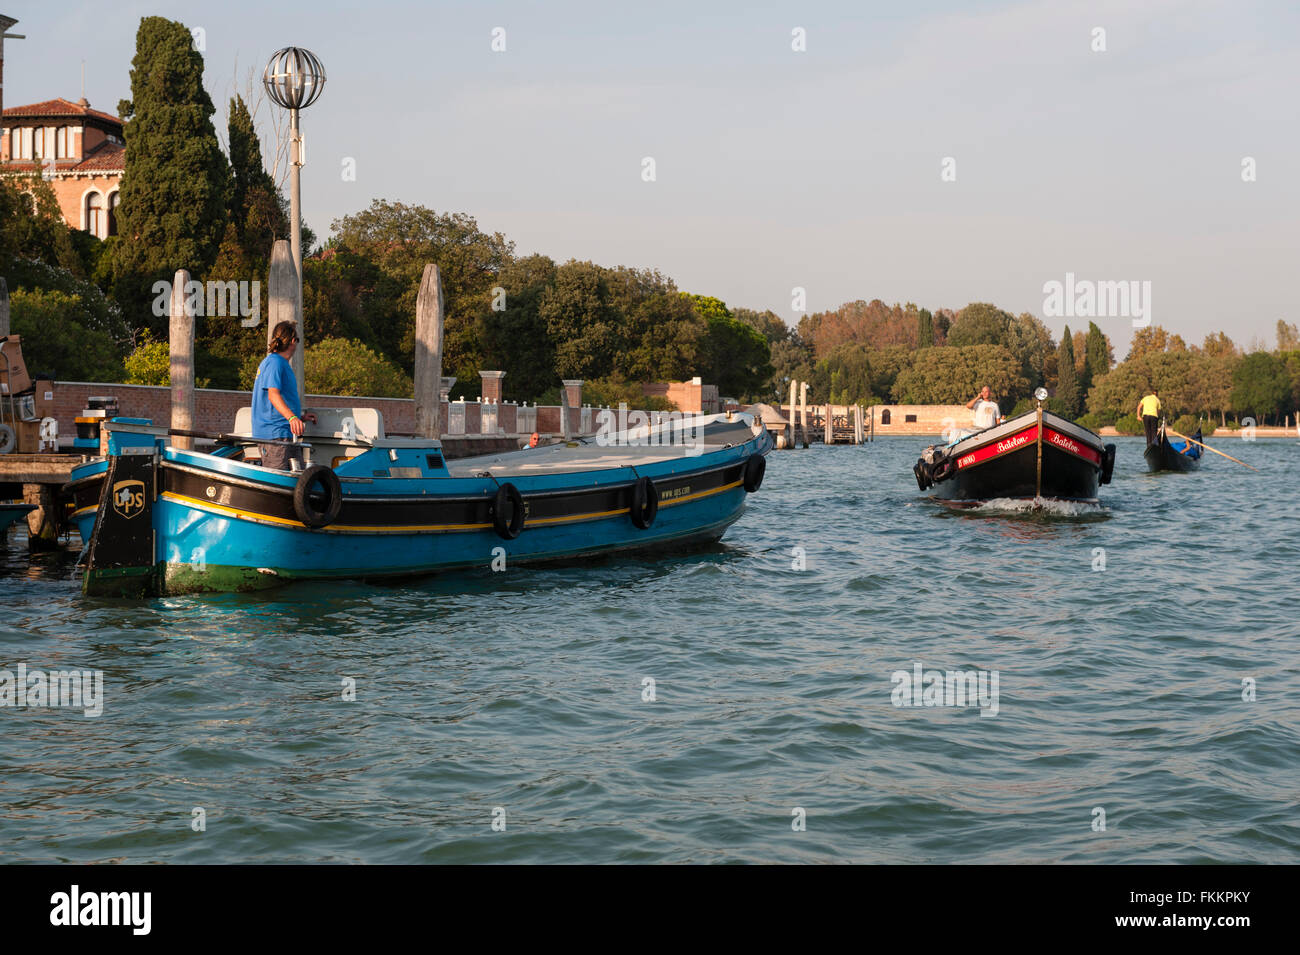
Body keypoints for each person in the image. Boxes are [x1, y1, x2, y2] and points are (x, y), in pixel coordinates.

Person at [251, 321, 316, 470]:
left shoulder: (277, 363)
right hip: (276, 435)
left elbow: (280, 398)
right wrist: (291, 417)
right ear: (293, 341)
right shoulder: (275, 363)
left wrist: (298, 417)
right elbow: (273, 395)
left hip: (286, 432)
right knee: (277, 476)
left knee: (297, 477)